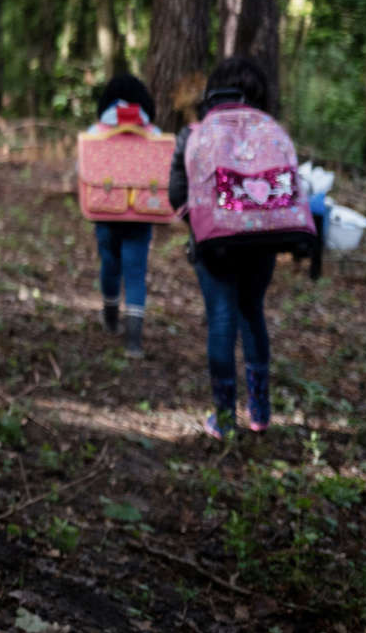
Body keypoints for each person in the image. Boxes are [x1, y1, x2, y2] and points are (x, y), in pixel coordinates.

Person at [170, 55, 283, 439]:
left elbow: (176, 194)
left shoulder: (195, 134)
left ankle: (224, 418)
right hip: (262, 243)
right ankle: (260, 412)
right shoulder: (269, 132)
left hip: (214, 245)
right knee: (253, 313)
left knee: (221, 320)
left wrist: (199, 222)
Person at [86, 73, 160, 359]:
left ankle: (110, 317)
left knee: (109, 263)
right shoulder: (152, 132)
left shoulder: (97, 130)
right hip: (141, 212)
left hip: (106, 210)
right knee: (136, 272)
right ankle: (134, 341)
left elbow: (85, 170)